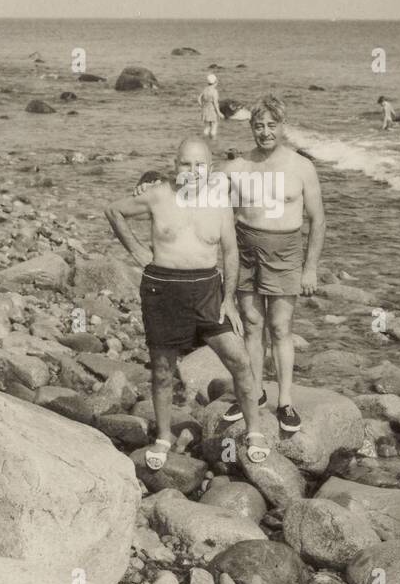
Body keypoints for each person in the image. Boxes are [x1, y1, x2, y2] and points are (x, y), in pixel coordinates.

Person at [104, 138, 269, 470]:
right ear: (174, 165)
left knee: (239, 360)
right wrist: (138, 251)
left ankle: (254, 431)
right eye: (185, 165)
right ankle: (163, 436)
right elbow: (114, 211)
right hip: (163, 291)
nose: (192, 172)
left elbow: (231, 253)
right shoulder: (158, 195)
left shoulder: (220, 204)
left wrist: (230, 301)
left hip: (207, 291)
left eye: (199, 166)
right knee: (163, 371)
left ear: (209, 169)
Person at [222, 95, 325, 433]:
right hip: (245, 249)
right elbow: (201, 195)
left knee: (280, 327)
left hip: (285, 250)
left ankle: (285, 401)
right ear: (251, 128)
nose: (265, 132)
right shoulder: (238, 166)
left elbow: (318, 220)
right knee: (251, 324)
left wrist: (310, 268)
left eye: (271, 125)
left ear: (283, 126)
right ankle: (254, 393)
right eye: (258, 126)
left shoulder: (301, 166)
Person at [199, 74, 223, 141]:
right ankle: (213, 142)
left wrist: (202, 106)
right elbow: (215, 104)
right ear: (215, 82)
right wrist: (219, 113)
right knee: (214, 127)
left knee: (206, 127)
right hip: (212, 111)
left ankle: (205, 141)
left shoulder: (205, 90)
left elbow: (198, 99)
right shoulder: (214, 91)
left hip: (205, 110)